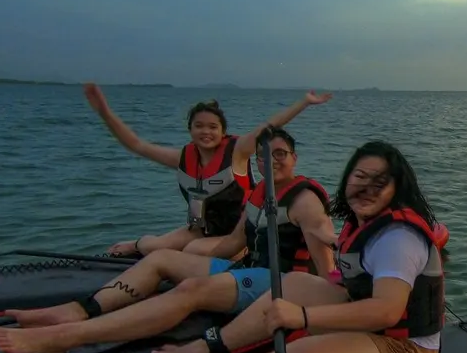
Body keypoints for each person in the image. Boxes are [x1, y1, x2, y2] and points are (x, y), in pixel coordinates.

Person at [114, 140, 447, 353]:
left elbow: (386, 312)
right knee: (294, 283)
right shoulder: (362, 223)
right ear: (348, 179)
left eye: (380, 183)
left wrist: (302, 316)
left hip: (404, 352)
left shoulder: (397, 238)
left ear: (396, 190)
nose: (367, 189)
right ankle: (207, 349)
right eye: (361, 177)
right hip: (373, 325)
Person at [0, 125, 337, 353]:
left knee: (191, 291)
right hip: (246, 269)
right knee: (160, 260)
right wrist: (190, 256)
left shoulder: (305, 201)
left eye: (280, 154)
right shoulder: (259, 192)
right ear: (256, 159)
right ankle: (76, 310)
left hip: (279, 285)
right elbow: (231, 244)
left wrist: (314, 320)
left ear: (294, 158)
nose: (271, 160)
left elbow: (326, 274)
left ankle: (67, 337)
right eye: (264, 154)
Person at [82, 82, 331, 256]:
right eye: (199, 126)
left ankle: (235, 257)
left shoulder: (238, 150)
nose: (206, 132)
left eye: (213, 127)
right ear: (190, 130)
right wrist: (104, 112)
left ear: (222, 131)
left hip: (238, 236)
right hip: (200, 230)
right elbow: (137, 144)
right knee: (150, 247)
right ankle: (136, 244)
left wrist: (304, 103)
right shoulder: (183, 157)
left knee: (190, 251)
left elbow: (269, 125)